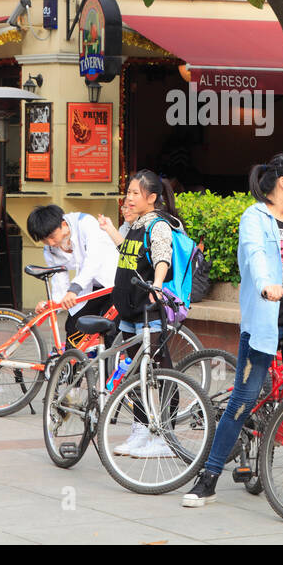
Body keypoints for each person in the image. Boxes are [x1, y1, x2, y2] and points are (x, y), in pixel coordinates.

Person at [182, 154, 283, 508]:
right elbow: (253, 255)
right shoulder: (255, 217)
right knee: (243, 400)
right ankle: (209, 477)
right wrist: (268, 283)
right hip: (265, 321)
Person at [96, 170, 188, 459]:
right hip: (130, 310)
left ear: (151, 198)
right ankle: (141, 430)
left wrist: (158, 286)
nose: (129, 198)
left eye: (135, 193)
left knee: (162, 372)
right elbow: (131, 254)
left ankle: (166, 437)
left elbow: (162, 256)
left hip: (150, 313)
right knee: (135, 371)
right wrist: (111, 229)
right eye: (128, 193)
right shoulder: (134, 225)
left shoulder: (158, 225)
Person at [26, 203, 118, 343]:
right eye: (44, 240)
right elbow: (59, 280)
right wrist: (53, 306)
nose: (50, 243)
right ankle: (72, 364)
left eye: (52, 236)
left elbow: (93, 260)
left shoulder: (85, 223)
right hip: (90, 288)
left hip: (114, 283)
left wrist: (74, 289)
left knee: (110, 329)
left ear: (63, 225)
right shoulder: (50, 249)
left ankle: (107, 364)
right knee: (74, 327)